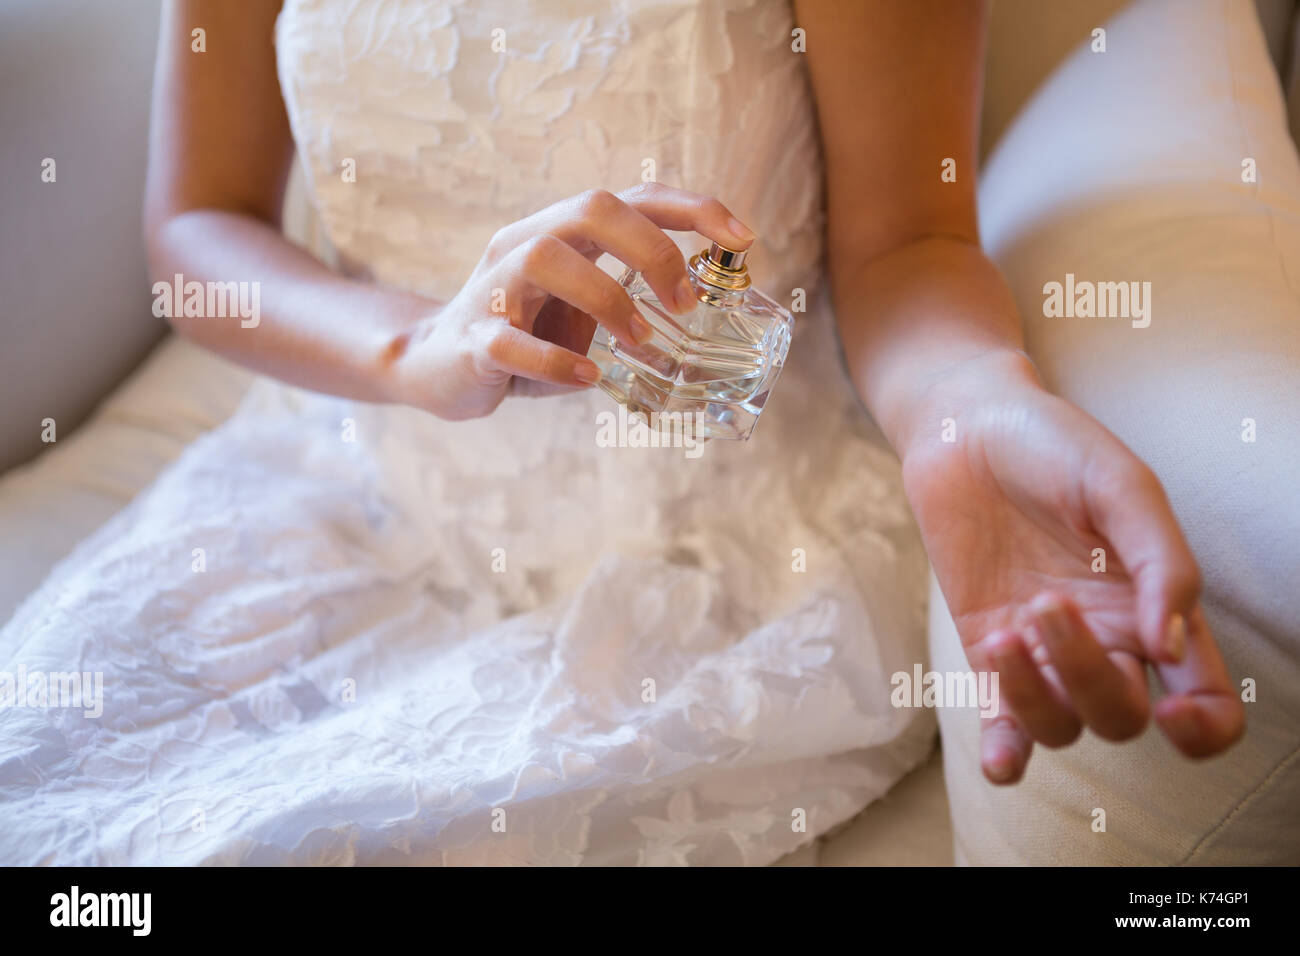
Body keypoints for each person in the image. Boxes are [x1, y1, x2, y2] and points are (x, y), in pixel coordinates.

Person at [0, 0, 1260, 865]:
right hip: (345, 489)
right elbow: (200, 229)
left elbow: (911, 241)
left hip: (717, 565)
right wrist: (412, 347)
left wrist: (971, 404)